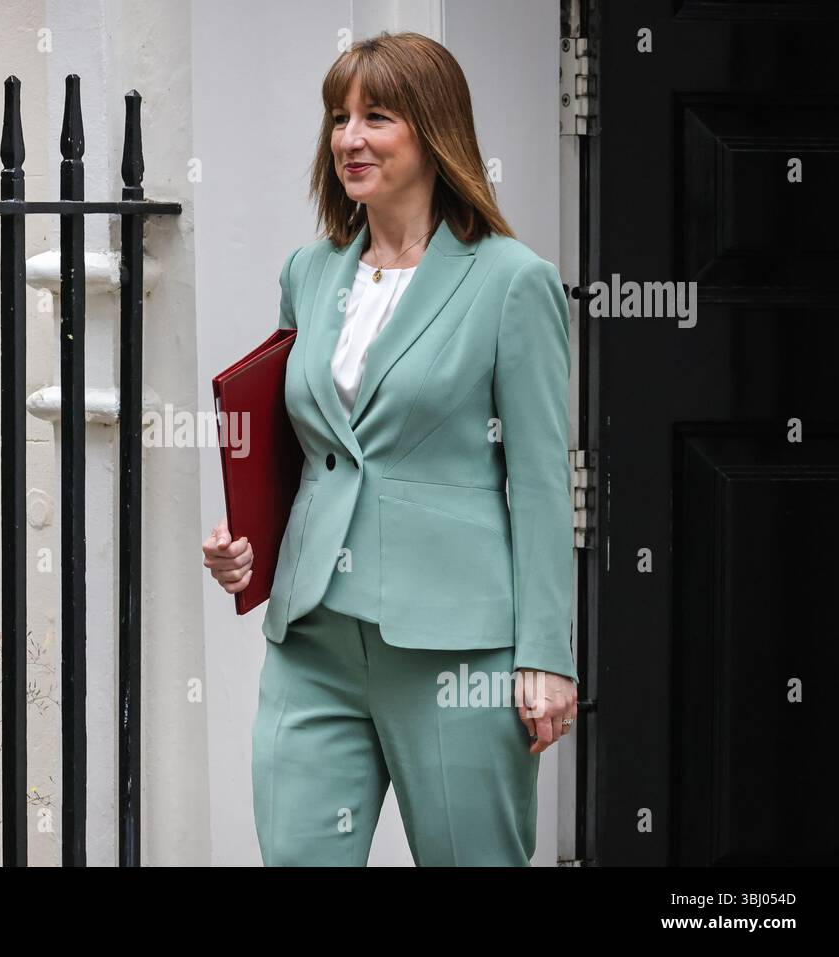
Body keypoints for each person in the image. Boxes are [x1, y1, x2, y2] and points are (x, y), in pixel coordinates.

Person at [201, 31, 578, 866]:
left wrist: (548, 657)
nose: (349, 138)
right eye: (340, 118)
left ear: (434, 131)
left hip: (455, 649)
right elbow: (307, 454)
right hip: (313, 642)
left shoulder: (512, 281)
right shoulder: (311, 271)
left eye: (377, 115)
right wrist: (249, 548)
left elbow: (544, 480)